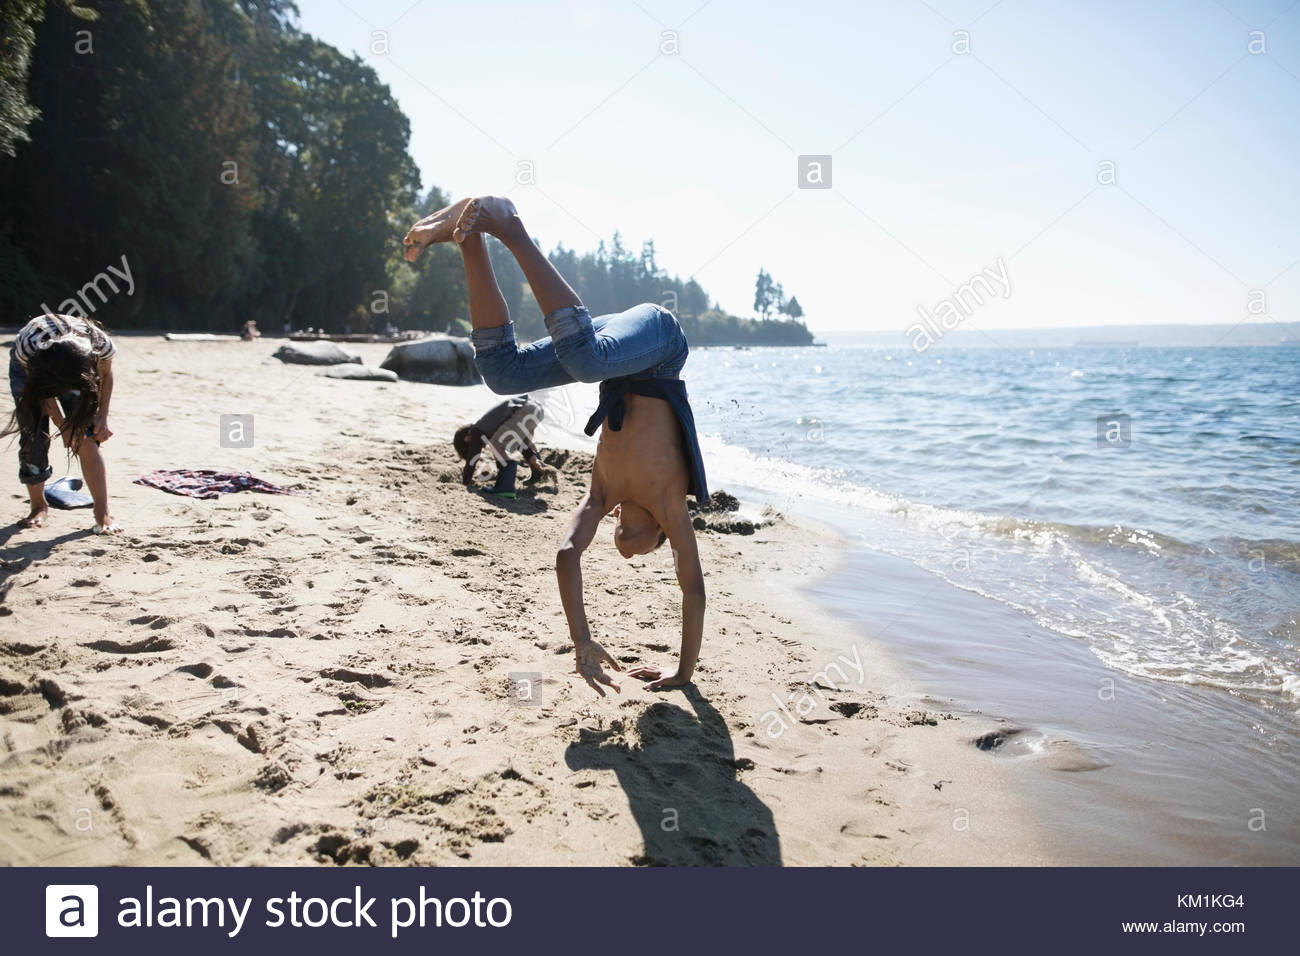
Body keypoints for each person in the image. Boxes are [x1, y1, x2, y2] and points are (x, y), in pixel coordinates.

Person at [404, 197, 709, 695]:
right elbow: (693, 591)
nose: (625, 554)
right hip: (658, 343)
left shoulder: (603, 495)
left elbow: (567, 555)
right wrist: (682, 675)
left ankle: (470, 238)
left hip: (611, 350)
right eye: (638, 552)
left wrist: (582, 642)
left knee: (503, 374)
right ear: (661, 536)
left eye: (617, 546)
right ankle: (510, 225)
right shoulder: (671, 506)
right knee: (588, 360)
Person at [3, 312, 121, 533]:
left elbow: (107, 374)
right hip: (33, 367)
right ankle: (38, 507)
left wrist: (102, 416)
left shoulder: (99, 345)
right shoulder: (28, 350)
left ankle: (102, 513)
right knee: (33, 435)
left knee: (86, 434)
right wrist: (63, 426)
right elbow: (42, 392)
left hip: (76, 365)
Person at [453, 394, 555, 494]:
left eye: (468, 447)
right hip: (536, 409)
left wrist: (465, 482)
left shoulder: (476, 431)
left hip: (525, 409)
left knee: (495, 443)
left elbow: (472, 459)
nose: (482, 448)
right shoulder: (490, 425)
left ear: (467, 439)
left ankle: (505, 487)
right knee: (525, 443)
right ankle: (540, 472)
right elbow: (521, 445)